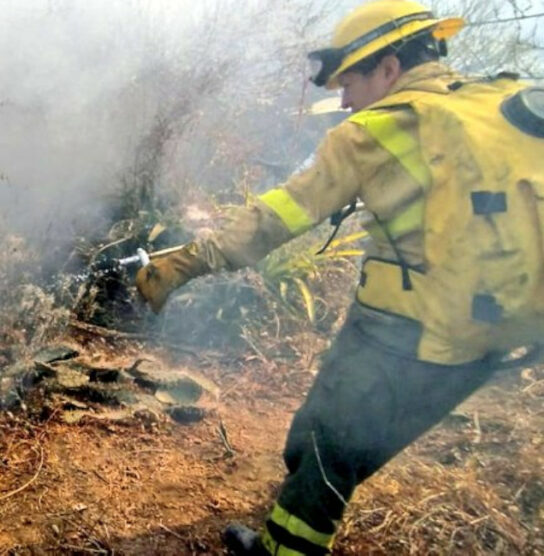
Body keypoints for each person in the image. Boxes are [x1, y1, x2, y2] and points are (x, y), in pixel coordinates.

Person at [134, 1, 544, 554]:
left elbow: (279, 215)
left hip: (410, 333)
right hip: (502, 337)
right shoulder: (510, 100)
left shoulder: (376, 129)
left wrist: (184, 262)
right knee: (350, 449)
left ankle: (283, 549)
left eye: (349, 82)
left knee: (322, 447)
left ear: (389, 68)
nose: (345, 100)